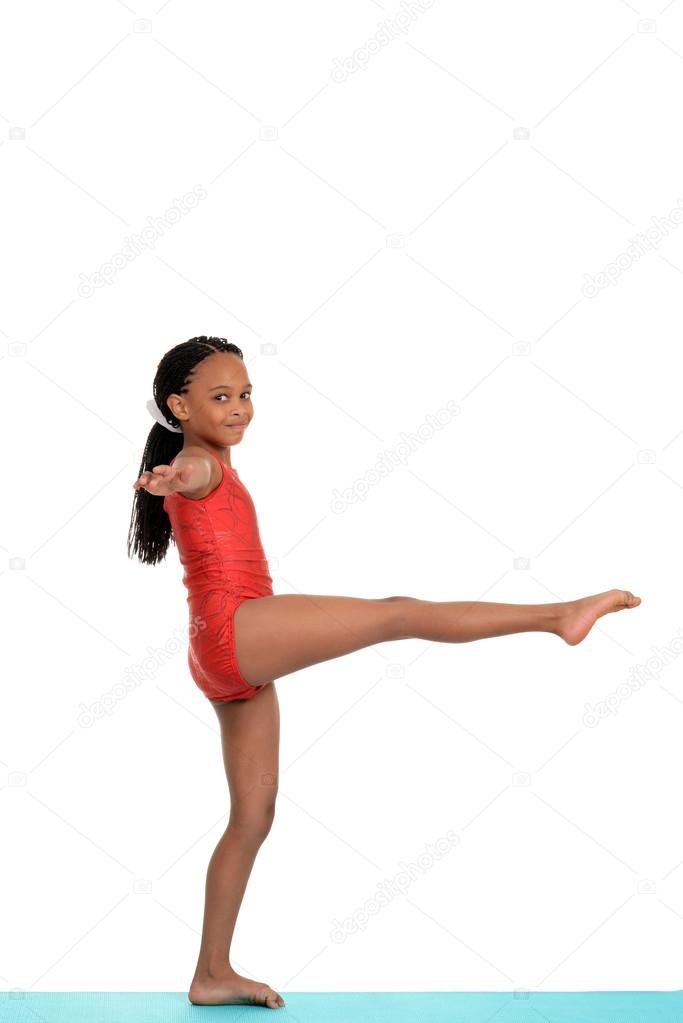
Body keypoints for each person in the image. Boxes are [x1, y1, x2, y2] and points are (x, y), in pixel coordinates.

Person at [128, 335, 641, 1009]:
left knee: (252, 816)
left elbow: (197, 475)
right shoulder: (199, 462)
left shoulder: (208, 455)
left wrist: (176, 477)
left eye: (246, 393)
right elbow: (194, 475)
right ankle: (556, 615)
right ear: (179, 405)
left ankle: (211, 972)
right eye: (220, 397)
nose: (239, 408)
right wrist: (176, 478)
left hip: (220, 654)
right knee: (396, 612)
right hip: (236, 629)